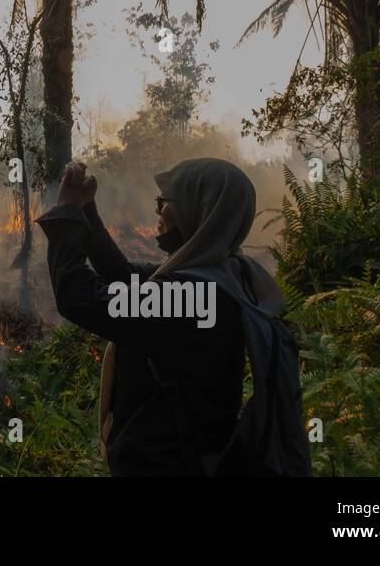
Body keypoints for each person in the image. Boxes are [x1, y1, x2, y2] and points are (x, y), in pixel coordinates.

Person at [36, 156, 287, 476]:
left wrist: (67, 213)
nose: (158, 211)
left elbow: (79, 298)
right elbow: (124, 276)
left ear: (198, 210)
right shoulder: (220, 278)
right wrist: (86, 210)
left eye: (165, 202)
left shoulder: (191, 298)